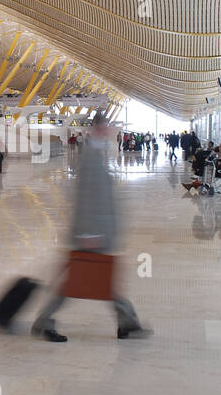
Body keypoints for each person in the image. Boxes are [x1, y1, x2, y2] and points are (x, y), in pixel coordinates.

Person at [32, 113, 152, 342]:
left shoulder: (96, 152)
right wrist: (88, 232)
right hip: (91, 234)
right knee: (84, 282)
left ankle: (127, 323)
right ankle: (44, 321)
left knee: (95, 280)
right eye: (107, 126)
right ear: (100, 127)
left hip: (97, 232)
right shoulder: (90, 155)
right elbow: (85, 196)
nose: (109, 130)